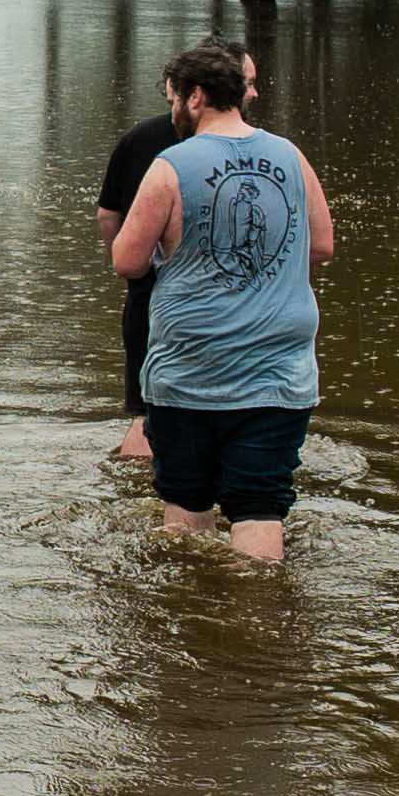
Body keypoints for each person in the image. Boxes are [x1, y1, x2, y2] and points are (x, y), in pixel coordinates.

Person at [109, 38, 334, 563]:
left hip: (190, 378)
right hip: (278, 381)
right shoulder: (291, 156)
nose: (173, 110)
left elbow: (127, 260)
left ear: (195, 97)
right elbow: (321, 246)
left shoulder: (170, 166)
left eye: (176, 99)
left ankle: (190, 626)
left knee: (185, 514)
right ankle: (258, 632)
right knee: (260, 509)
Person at [93, 68, 194, 460]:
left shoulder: (136, 138)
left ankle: (132, 484)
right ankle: (140, 485)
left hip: (146, 290)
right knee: (161, 411)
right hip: (193, 298)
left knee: (146, 406)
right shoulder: (238, 146)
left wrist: (130, 267)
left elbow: (107, 215)